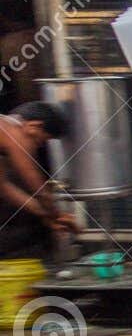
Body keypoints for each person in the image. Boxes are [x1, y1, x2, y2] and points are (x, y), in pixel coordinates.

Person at [0, 101, 79, 258]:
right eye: (41, 141)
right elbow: (37, 188)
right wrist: (57, 215)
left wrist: (46, 215)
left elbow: (4, 188)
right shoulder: (13, 131)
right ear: (34, 126)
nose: (37, 147)